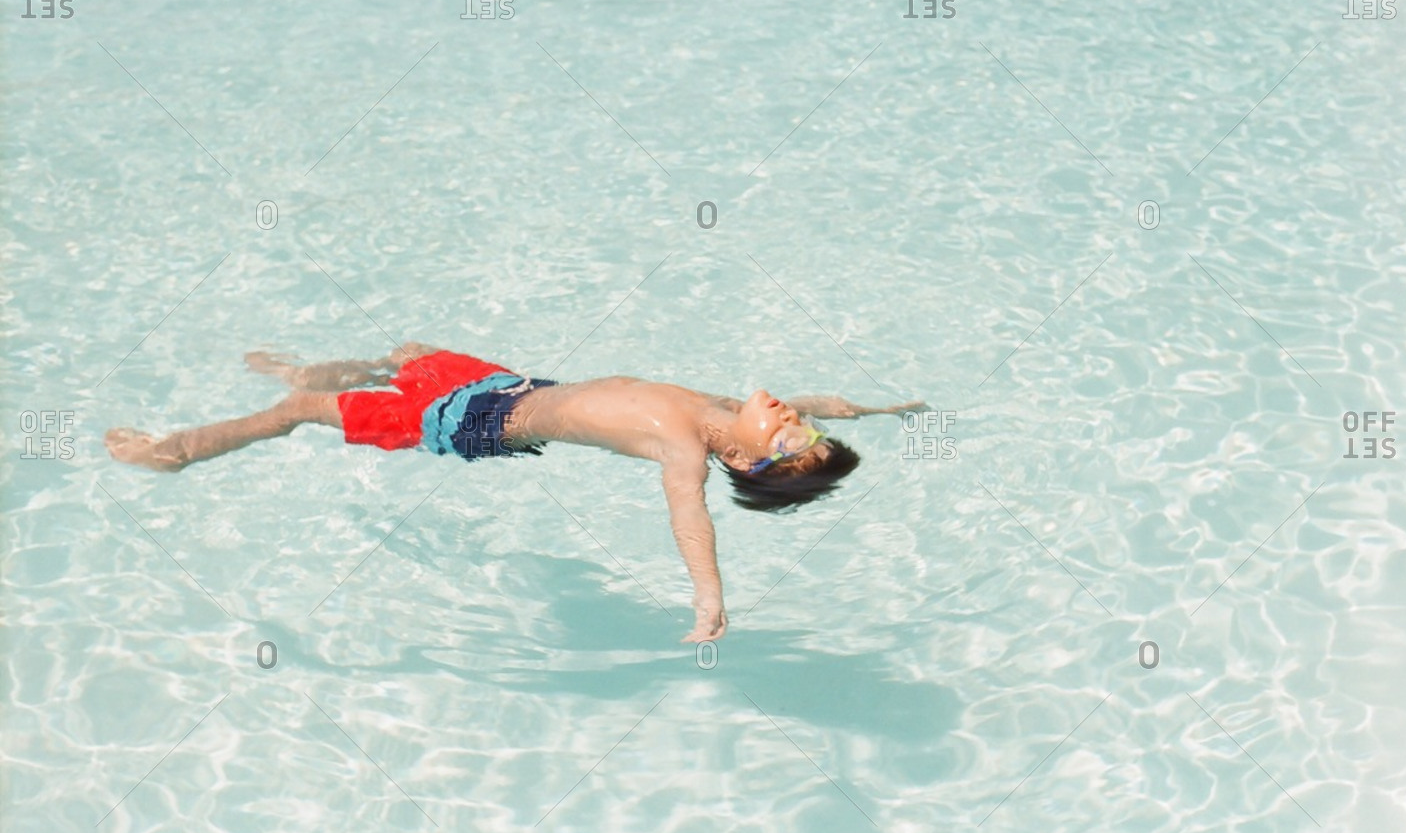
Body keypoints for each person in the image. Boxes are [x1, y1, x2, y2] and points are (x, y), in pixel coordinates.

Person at [106, 343, 920, 641]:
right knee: (409, 348)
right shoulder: (717, 413)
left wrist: (707, 603)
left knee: (302, 414)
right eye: (800, 427)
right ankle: (315, 369)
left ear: (747, 463)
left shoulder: (685, 448)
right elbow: (819, 405)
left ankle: (177, 452)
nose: (788, 414)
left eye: (788, 436)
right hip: (506, 387)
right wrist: (878, 408)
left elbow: (688, 520)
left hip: (468, 425)